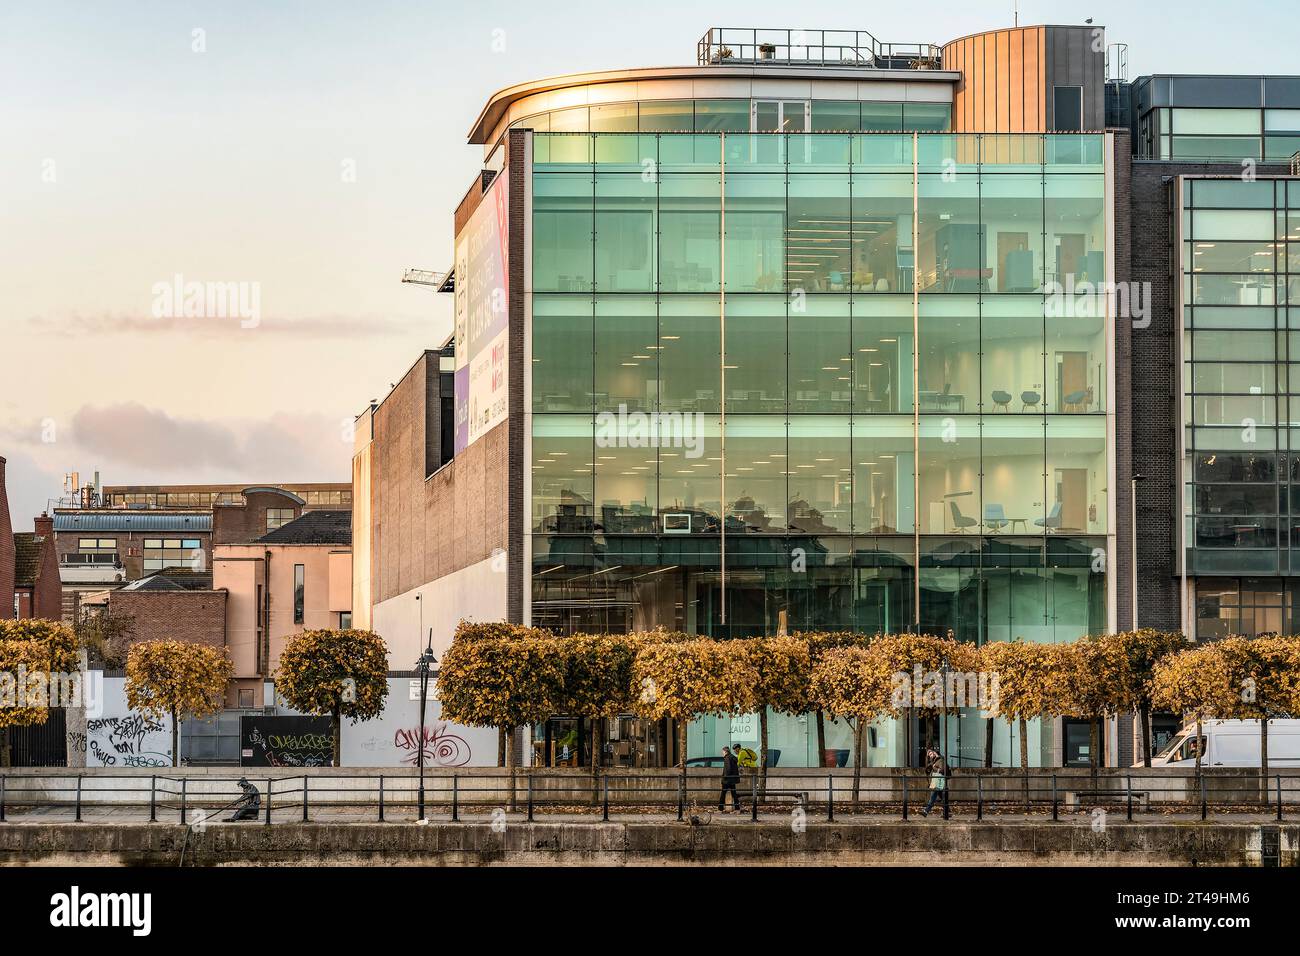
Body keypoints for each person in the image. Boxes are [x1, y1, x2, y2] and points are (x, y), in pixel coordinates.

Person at [920, 748, 948, 818]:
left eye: (931, 754)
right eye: (929, 755)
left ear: (935, 753)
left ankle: (926, 811)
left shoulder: (940, 760)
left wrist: (934, 768)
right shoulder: (935, 761)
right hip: (936, 781)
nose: (930, 756)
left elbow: (942, 770)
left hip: (938, 781)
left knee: (933, 797)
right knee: (942, 798)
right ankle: (947, 812)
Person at [718, 746, 741, 812]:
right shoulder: (732, 757)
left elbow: (728, 769)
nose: (722, 753)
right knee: (734, 794)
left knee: (723, 794)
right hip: (732, 779)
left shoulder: (727, 758)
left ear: (725, 751)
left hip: (727, 780)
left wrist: (724, 777)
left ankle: (720, 808)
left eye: (723, 751)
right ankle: (737, 809)